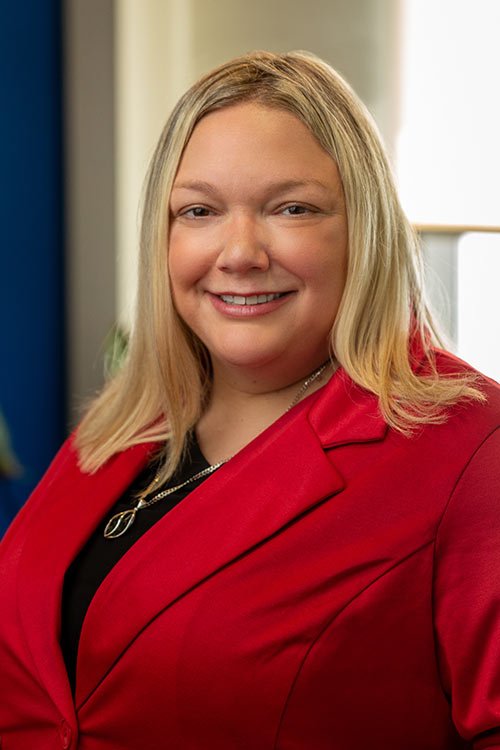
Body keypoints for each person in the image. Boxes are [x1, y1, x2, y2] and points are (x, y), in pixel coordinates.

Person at [1, 50, 499, 750]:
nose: (238, 252)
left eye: (291, 208)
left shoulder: (470, 445)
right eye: (199, 210)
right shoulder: (118, 428)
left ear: (365, 229)